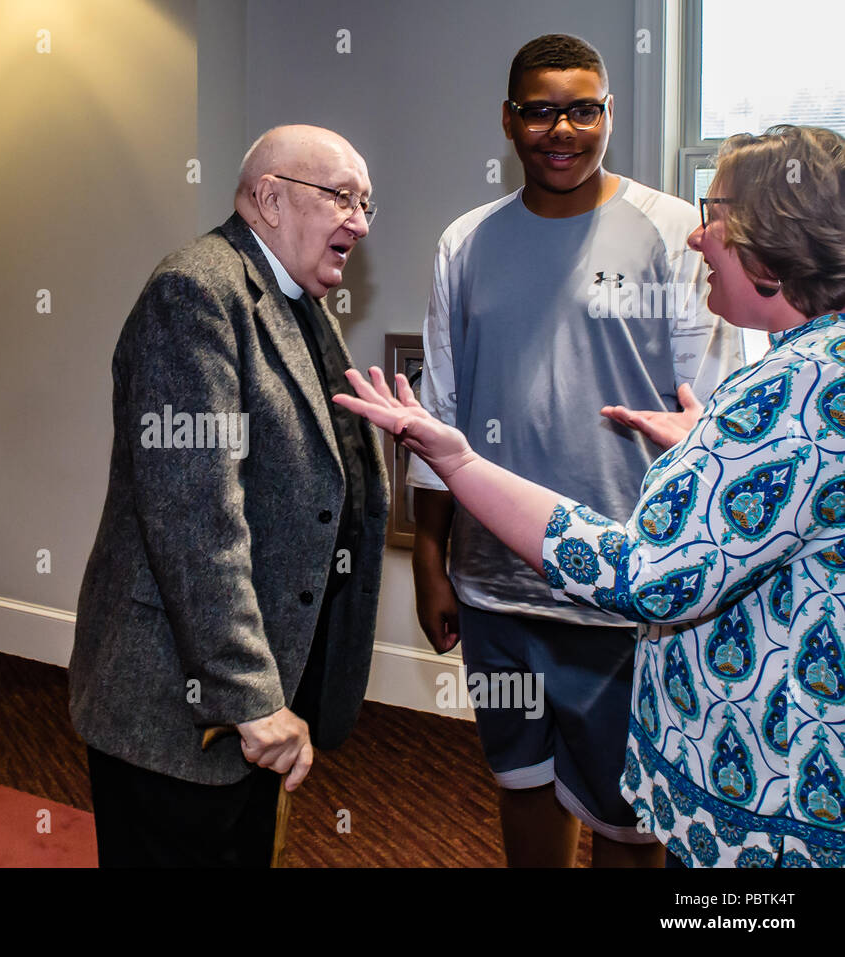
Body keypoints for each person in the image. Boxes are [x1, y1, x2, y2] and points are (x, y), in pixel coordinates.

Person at [339, 124, 845, 867]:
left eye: (717, 215)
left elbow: (644, 576)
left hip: (781, 813)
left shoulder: (796, 388)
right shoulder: (816, 364)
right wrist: (713, 450)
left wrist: (461, 462)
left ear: (772, 244)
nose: (698, 239)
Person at [407, 33, 746, 867]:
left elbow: (707, 417)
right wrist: (429, 558)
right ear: (509, 120)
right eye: (542, 111)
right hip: (497, 591)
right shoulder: (465, 242)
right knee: (522, 784)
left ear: (608, 113)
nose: (563, 130)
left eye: (583, 109)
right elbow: (440, 411)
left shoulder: (674, 233)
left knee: (629, 818)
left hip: (624, 591)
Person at [70, 125, 389, 867]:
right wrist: (250, 694)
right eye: (342, 197)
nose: (361, 223)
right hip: (174, 707)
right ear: (268, 197)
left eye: (367, 203)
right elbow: (193, 519)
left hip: (252, 703)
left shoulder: (297, 300)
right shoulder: (195, 294)